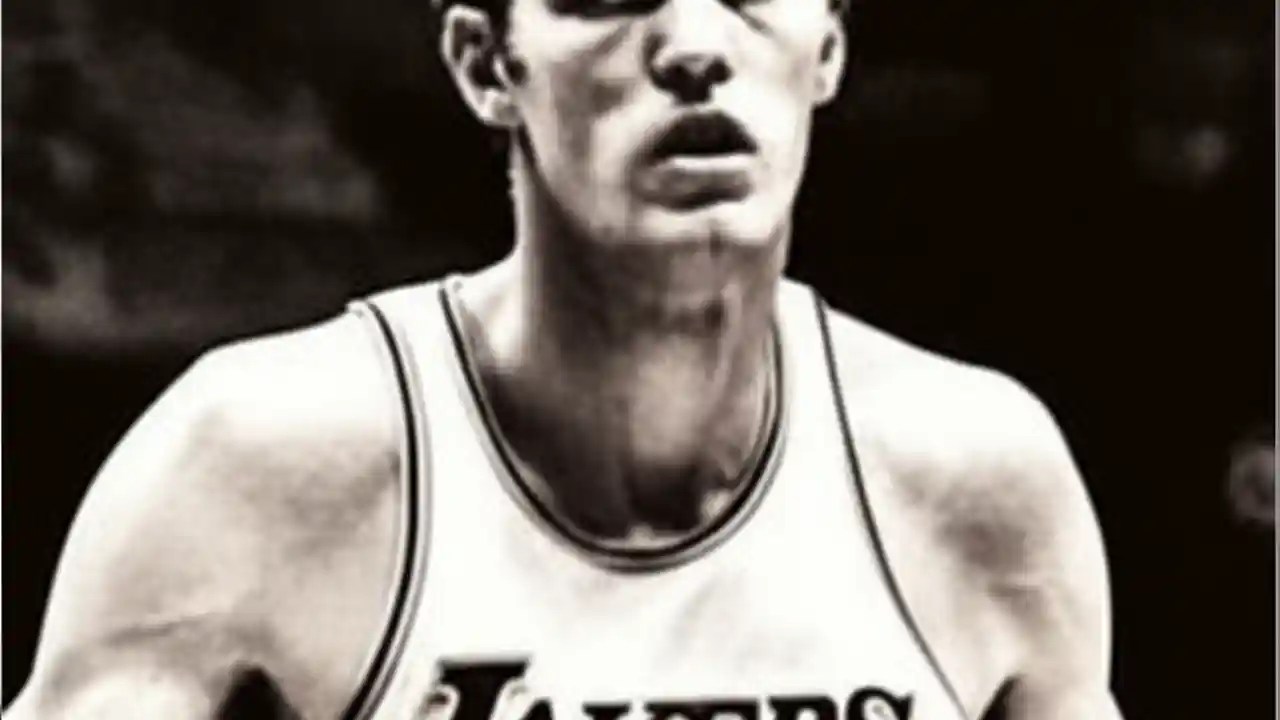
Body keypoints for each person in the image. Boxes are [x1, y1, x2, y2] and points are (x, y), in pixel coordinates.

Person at [6, 0, 1124, 714]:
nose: (692, 44)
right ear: (486, 64)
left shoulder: (975, 479)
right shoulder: (257, 463)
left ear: (826, 44)